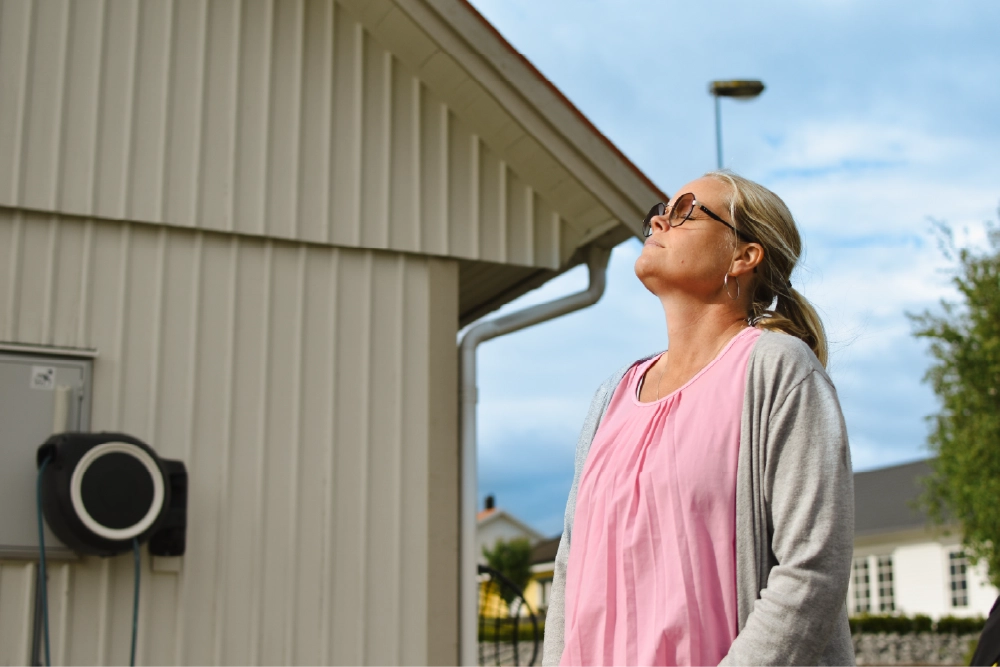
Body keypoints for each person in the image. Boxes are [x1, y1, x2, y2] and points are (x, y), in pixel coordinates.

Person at [542, 171, 855, 667]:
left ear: (743, 256)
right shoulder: (611, 397)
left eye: (687, 208)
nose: (661, 219)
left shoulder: (776, 369)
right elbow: (569, 564)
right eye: (661, 209)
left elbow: (812, 568)